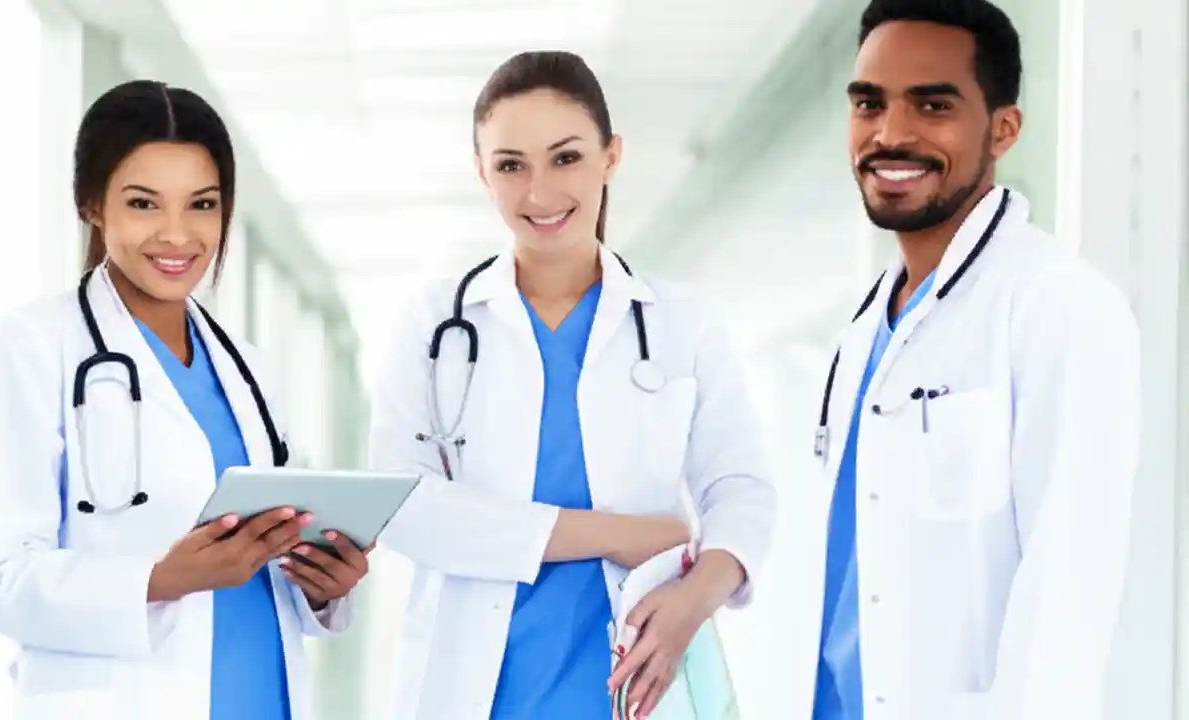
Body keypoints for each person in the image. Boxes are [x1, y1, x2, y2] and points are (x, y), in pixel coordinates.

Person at [369, 50, 777, 719]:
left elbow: (740, 487)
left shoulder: (681, 324)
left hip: (636, 676)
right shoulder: (436, 324)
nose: (539, 192)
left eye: (566, 158)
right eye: (510, 165)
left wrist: (695, 598)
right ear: (482, 172)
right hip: (478, 690)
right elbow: (404, 507)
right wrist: (614, 533)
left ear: (611, 156)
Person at [0, 80, 371, 720]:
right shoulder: (30, 347)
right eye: (144, 204)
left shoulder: (246, 367)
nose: (177, 235)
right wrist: (161, 579)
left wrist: (325, 584)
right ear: (92, 204)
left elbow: (273, 550)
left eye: (202, 204)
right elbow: (2, 585)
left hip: (261, 693)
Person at [809, 1, 1141, 718]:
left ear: (1003, 129)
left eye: (932, 105)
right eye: (870, 104)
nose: (890, 134)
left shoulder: (1060, 307)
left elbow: (1067, 595)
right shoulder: (865, 331)